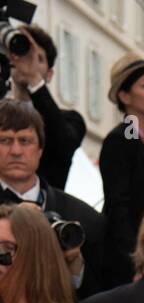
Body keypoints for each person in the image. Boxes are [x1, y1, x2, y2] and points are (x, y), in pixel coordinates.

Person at [0, 99, 104, 298]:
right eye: (5, 140)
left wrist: (75, 268)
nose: (15, 151)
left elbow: (98, 295)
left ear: (40, 150)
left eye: (25, 141)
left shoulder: (84, 218)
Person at [99, 53, 144, 288]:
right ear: (124, 96)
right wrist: (135, 260)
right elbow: (118, 206)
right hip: (129, 263)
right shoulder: (124, 138)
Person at [7, 23, 86, 191]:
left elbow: (63, 143)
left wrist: (34, 79)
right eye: (22, 55)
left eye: (38, 59)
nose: (28, 62)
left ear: (49, 75)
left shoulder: (70, 120)